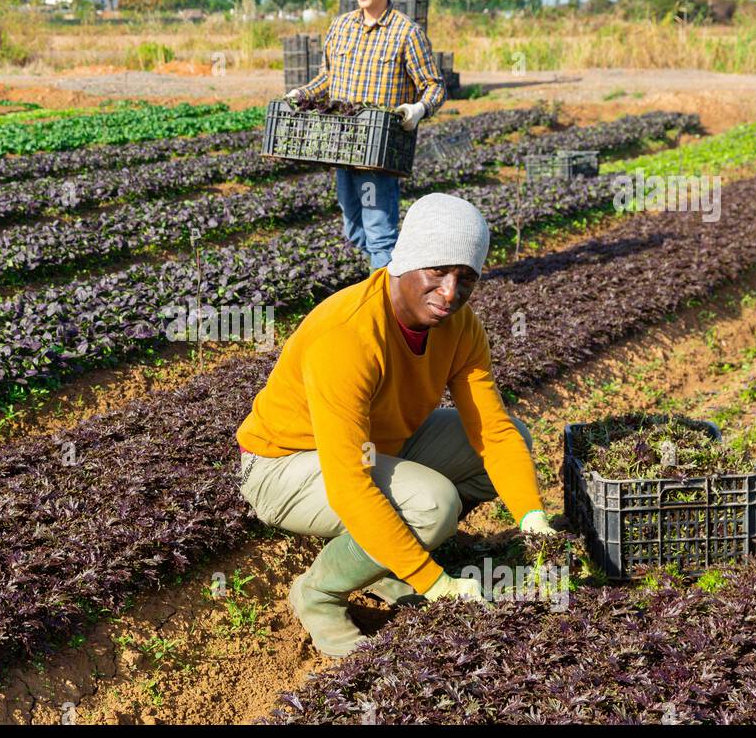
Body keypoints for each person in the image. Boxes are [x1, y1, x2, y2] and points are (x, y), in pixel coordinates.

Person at [235, 193, 558, 658]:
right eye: (437, 272)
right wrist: (434, 583)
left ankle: (388, 560)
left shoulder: (460, 327)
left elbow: (494, 432)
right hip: (284, 466)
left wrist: (533, 519)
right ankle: (319, 594)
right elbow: (348, 482)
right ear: (405, 262)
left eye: (465, 278)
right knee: (432, 503)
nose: (450, 292)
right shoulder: (347, 335)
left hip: (383, 445)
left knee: (515, 440)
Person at [288, 0, 446, 270]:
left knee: (378, 232)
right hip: (342, 147)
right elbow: (327, 79)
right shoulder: (341, 27)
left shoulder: (407, 33)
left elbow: (435, 86)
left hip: (379, 155)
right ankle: (401, 271)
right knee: (354, 228)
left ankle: (385, 301)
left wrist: (418, 109)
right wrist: (300, 94)